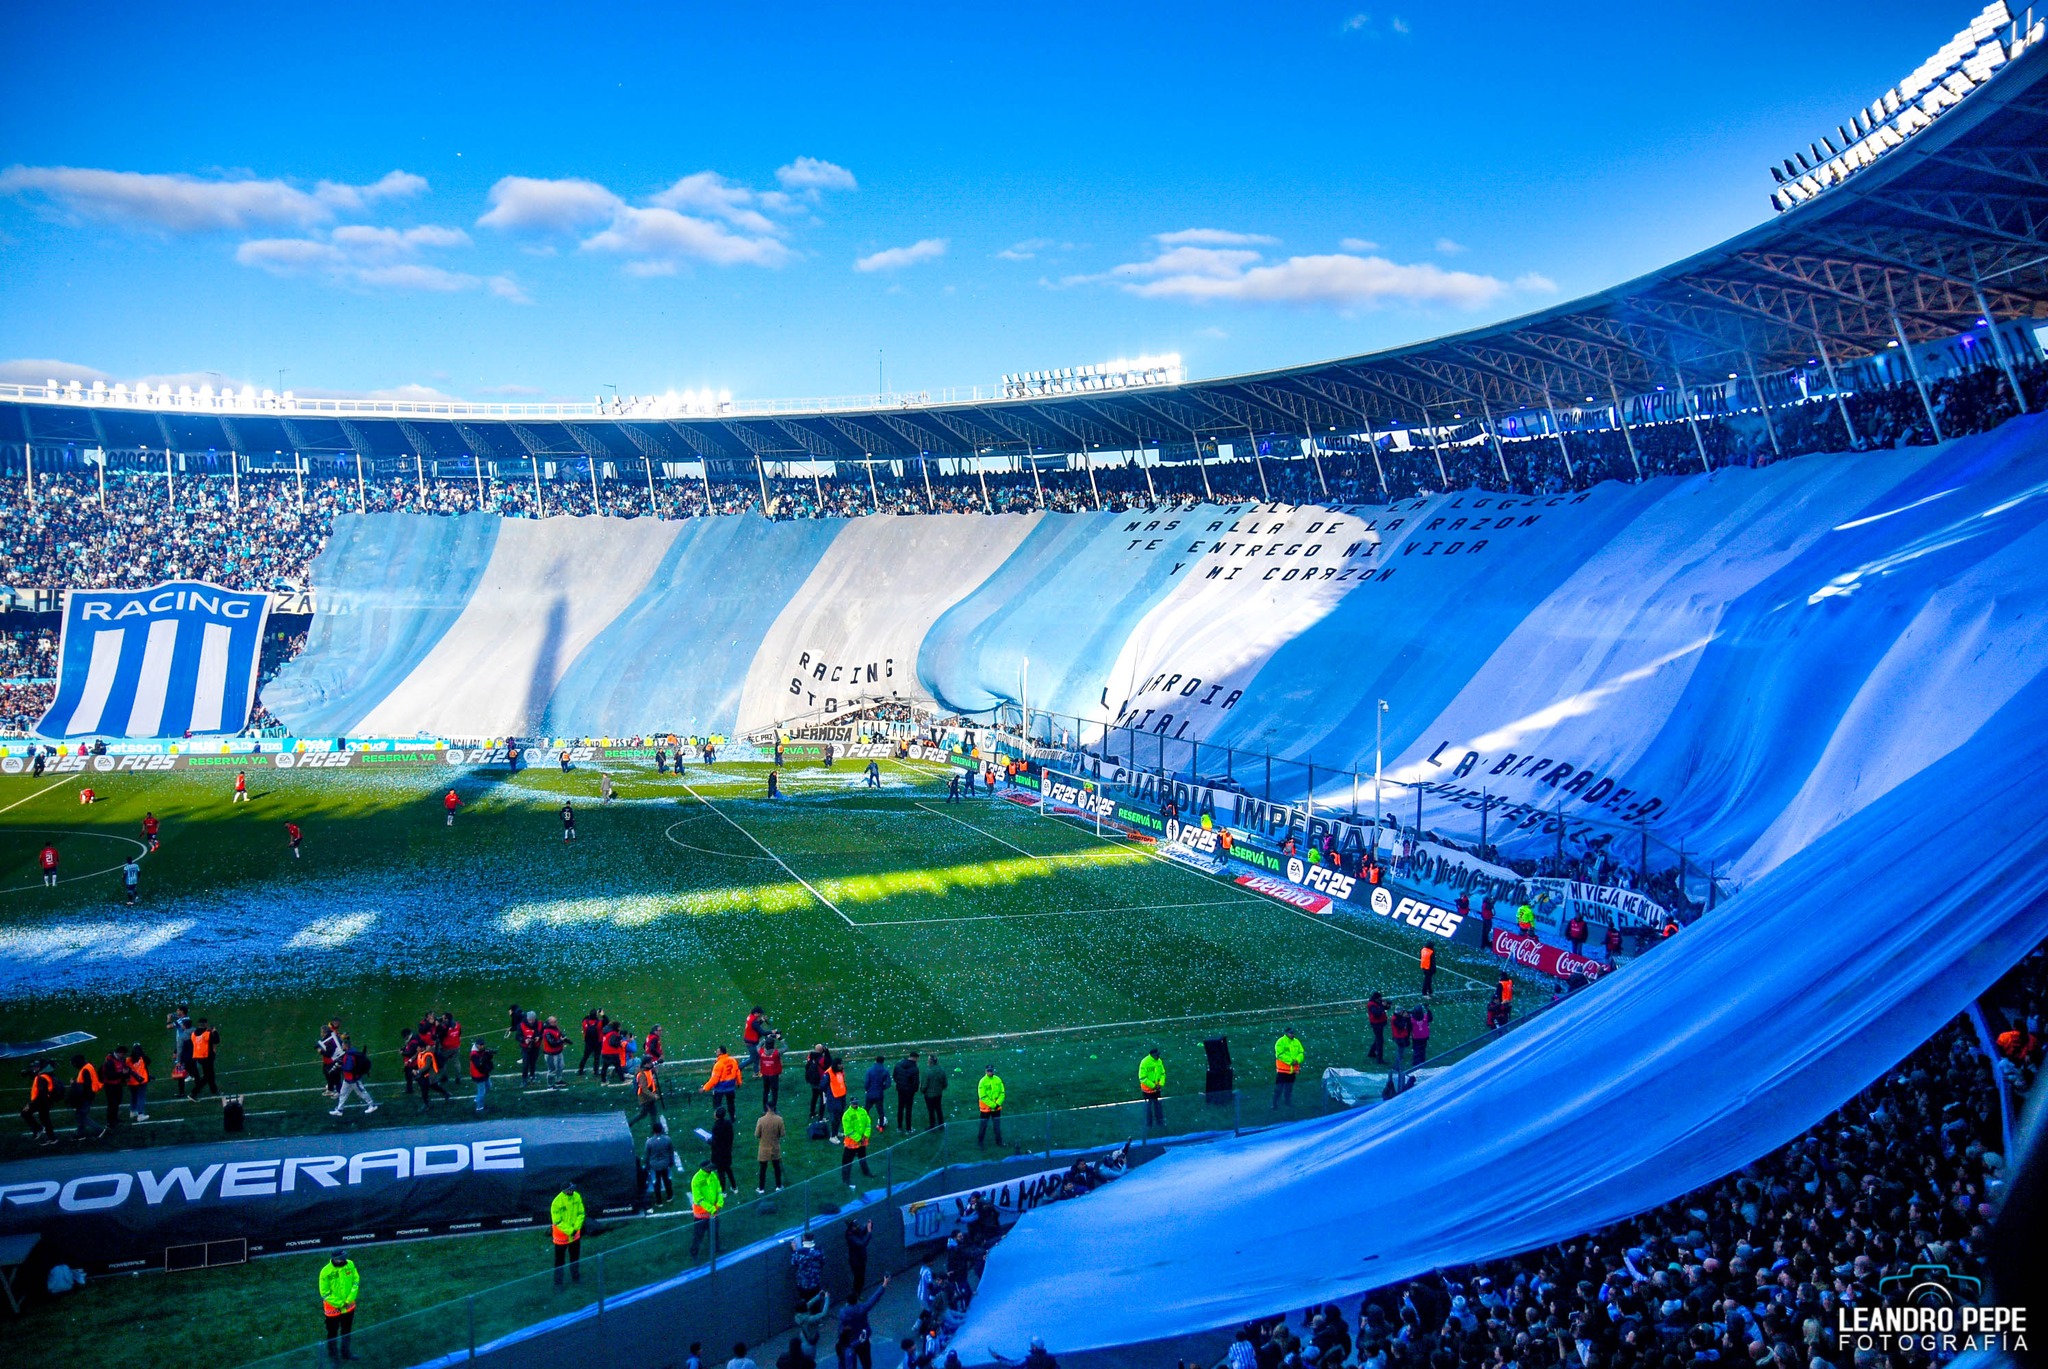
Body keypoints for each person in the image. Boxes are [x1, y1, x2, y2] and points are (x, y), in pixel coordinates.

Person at [837, 1274, 889, 1369]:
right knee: (866, 1362)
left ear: (847, 1301)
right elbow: (874, 1298)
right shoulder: (862, 1308)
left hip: (849, 1340)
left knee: (850, 1363)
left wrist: (840, 1340)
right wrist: (884, 1284)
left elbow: (841, 1327)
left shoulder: (842, 1312)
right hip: (862, 1338)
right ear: (857, 1299)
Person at [319, 1252, 359, 1363]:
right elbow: (325, 1293)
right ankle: (333, 1356)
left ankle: (346, 1353)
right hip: (333, 1310)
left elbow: (356, 1281)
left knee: (347, 1331)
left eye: (344, 1257)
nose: (344, 1260)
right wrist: (341, 1304)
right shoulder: (325, 1271)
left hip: (349, 1307)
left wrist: (349, 1300)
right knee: (332, 1333)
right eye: (341, 1258)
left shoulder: (350, 1264)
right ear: (334, 1259)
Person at [332, 1036, 377, 1115]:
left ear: (346, 1046)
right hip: (347, 1079)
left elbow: (349, 1068)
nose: (341, 1046)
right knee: (343, 1093)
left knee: (361, 1092)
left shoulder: (350, 1056)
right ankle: (339, 1110)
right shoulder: (349, 1053)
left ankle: (372, 1105)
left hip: (353, 1079)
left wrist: (340, 1067)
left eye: (342, 1045)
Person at [551, 1183, 585, 1284]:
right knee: (559, 1261)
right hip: (561, 1238)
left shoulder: (577, 1196)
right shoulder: (556, 1202)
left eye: (573, 1188)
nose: (573, 1190)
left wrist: (576, 1228)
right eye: (570, 1188)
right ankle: (558, 1282)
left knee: (575, 1258)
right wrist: (571, 1231)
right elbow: (557, 1221)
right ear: (564, 1190)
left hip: (575, 1236)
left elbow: (581, 1213)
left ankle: (576, 1278)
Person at [689, 1160, 723, 1258]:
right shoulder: (696, 1179)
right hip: (701, 1214)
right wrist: (712, 1209)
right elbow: (699, 1199)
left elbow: (719, 1190)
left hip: (713, 1212)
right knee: (698, 1235)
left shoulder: (713, 1175)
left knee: (714, 1232)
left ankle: (716, 1248)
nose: (712, 1169)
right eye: (709, 1167)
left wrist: (719, 1203)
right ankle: (694, 1253)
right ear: (704, 1168)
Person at [19, 1058, 57, 1144]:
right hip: (46, 1100)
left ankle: (38, 1129)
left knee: (25, 1113)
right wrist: (28, 1072)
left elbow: (41, 1093)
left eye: (36, 1067)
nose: (34, 1069)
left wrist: (30, 1104)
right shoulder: (46, 1074)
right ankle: (52, 1138)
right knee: (45, 1119)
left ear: (40, 1068)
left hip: (41, 1101)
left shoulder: (41, 1077)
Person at [840, 1098, 875, 1186]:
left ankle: (866, 1172)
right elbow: (848, 1130)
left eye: (856, 1103)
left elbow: (868, 1123)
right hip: (851, 1144)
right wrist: (859, 1138)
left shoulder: (863, 1111)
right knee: (847, 1162)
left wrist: (866, 1135)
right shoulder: (847, 1115)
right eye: (853, 1103)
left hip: (862, 1142)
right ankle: (845, 1179)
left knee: (863, 1157)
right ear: (850, 1103)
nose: (855, 1104)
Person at [68, 1053, 102, 1139]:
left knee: (82, 1116)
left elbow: (86, 1085)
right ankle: (80, 1133)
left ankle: (99, 1130)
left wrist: (74, 1084)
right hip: (88, 1095)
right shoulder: (88, 1067)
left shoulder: (85, 1069)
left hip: (85, 1096)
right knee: (79, 1114)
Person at [703, 1045, 742, 1117]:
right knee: (731, 1103)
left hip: (719, 1088)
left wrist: (705, 1088)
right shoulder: (733, 1060)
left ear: (720, 1052)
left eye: (717, 1051)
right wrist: (739, 1082)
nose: (716, 1052)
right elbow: (737, 1073)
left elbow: (714, 1079)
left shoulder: (718, 1064)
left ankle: (719, 1117)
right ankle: (732, 1117)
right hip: (730, 1087)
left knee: (717, 1104)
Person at [756, 1100, 786, 1192]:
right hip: (775, 1147)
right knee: (777, 1167)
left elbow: (757, 1134)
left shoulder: (761, 1120)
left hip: (764, 1148)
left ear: (767, 1107)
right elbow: (782, 1134)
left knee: (763, 1169)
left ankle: (761, 1188)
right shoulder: (779, 1119)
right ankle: (778, 1186)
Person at [414, 1035, 451, 1107]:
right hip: (427, 1072)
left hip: (429, 1072)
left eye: (418, 1047)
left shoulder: (428, 1053)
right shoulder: (424, 1052)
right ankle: (445, 1093)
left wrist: (418, 1071)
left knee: (427, 1087)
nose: (417, 1049)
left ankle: (426, 1103)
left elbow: (427, 1065)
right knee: (430, 1086)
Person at [1272, 1026, 1304, 1107]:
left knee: (1289, 1088)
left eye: (1293, 1033)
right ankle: (1275, 1103)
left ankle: (1287, 1102)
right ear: (1286, 1033)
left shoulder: (1296, 1042)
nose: (1292, 1034)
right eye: (1290, 1033)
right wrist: (1291, 1061)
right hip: (1282, 1071)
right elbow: (1280, 1054)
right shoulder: (1280, 1042)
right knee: (1279, 1088)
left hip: (1292, 1071)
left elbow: (1301, 1053)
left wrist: (1297, 1060)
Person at [645, 1123, 676, 1204]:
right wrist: (671, 1161)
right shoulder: (667, 1139)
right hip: (665, 1163)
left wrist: (647, 1165)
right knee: (667, 1180)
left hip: (654, 1165)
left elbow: (647, 1155)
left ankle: (659, 1201)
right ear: (661, 1129)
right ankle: (669, 1196)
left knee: (656, 1182)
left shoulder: (649, 1142)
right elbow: (671, 1152)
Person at [101, 1046, 128, 1130]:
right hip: (110, 1086)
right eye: (123, 1054)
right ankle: (110, 1121)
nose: (123, 1056)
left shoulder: (120, 1060)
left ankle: (115, 1119)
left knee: (118, 1102)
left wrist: (124, 1077)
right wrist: (122, 1074)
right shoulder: (109, 1062)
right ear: (119, 1053)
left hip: (117, 1084)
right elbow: (109, 1076)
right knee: (112, 1103)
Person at [845, 1219, 874, 1298]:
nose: (857, 1227)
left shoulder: (856, 1231)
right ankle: (855, 1295)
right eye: (855, 1226)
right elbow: (862, 1244)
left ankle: (858, 1293)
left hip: (861, 1259)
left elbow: (864, 1229)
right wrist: (869, 1232)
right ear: (851, 1227)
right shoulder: (850, 1236)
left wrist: (869, 1224)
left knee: (861, 1278)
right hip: (855, 1261)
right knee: (858, 1278)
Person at [976, 1065, 1004, 1146]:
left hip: (996, 1109)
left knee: (997, 1126)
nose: (990, 1072)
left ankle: (999, 1141)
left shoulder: (998, 1079)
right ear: (985, 1071)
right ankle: (980, 1142)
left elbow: (1002, 1093)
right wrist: (994, 1105)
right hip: (986, 1109)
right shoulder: (982, 1081)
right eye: (988, 1071)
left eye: (991, 1070)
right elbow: (983, 1096)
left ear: (993, 1071)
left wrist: (998, 1104)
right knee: (983, 1126)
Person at [191, 1017, 220, 1095]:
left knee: (210, 1074)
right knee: (208, 1076)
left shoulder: (193, 1034)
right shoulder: (207, 1033)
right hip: (207, 1056)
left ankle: (214, 1090)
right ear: (206, 1024)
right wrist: (214, 1031)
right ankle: (194, 1091)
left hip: (199, 1057)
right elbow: (217, 1040)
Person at [891, 1052, 920, 1131]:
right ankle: (908, 1128)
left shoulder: (899, 1065)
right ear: (915, 1058)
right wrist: (914, 1090)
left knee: (900, 1107)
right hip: (909, 1091)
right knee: (908, 1109)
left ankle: (899, 1126)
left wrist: (899, 1084)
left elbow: (895, 1076)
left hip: (901, 1089)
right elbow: (916, 1082)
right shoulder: (914, 1068)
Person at [633, 1057, 664, 1129]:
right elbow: (644, 1089)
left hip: (649, 1097)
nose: (651, 1064)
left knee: (653, 1113)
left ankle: (655, 1129)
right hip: (645, 1098)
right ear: (646, 1064)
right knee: (643, 1114)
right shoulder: (642, 1074)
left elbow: (651, 1072)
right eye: (650, 1063)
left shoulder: (647, 1069)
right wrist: (654, 1096)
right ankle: (629, 1124)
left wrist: (654, 1070)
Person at [1138, 1047, 1165, 1127]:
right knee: (1148, 1107)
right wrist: (1154, 1086)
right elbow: (1142, 1078)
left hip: (1157, 1089)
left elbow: (1163, 1073)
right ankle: (1149, 1123)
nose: (1158, 1056)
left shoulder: (1159, 1061)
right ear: (1152, 1054)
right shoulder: (1144, 1062)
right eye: (1157, 1055)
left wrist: (1161, 1084)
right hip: (1148, 1090)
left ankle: (1160, 1122)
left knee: (1158, 1106)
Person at [711, 1109, 737, 1192]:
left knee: (721, 1172)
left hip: (719, 1153)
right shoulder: (728, 1124)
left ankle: (723, 1191)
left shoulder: (716, 1127)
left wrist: (709, 1141)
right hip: (727, 1150)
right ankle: (734, 1187)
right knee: (728, 1169)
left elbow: (715, 1142)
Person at [987, 1338, 1058, 1369]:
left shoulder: (1028, 1359)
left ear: (1035, 1347)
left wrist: (998, 1357)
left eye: (1032, 1345)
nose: (1031, 1347)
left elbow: (1013, 1364)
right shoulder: (1051, 1358)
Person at [862, 1054, 890, 1133]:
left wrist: (867, 1089)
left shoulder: (870, 1070)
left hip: (870, 1093)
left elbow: (866, 1082)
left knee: (866, 1109)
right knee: (880, 1110)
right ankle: (881, 1126)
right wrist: (882, 1088)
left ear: (875, 1060)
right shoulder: (885, 1071)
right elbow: (888, 1084)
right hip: (879, 1093)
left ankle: (863, 1124)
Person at [470, 1039, 497, 1113]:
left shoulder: (480, 1050)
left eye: (483, 1045)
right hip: (478, 1075)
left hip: (484, 1073)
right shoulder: (474, 1054)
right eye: (480, 1045)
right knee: (481, 1091)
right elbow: (479, 1065)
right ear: (477, 1045)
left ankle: (477, 1099)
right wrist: (485, 1056)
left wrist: (489, 1054)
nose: (482, 1046)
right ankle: (479, 1108)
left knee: (489, 1086)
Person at [759, 1032, 785, 1109]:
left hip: (765, 1074)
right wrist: (780, 1038)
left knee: (766, 1091)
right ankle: (773, 1108)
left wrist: (766, 1038)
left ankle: (765, 1108)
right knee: (774, 1092)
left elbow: (758, 1046)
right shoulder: (776, 1053)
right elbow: (786, 1047)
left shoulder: (761, 1052)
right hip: (774, 1075)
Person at [921, 1054, 947, 1129]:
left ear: (930, 1061)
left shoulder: (927, 1071)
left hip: (929, 1095)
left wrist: (923, 1090)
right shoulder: (941, 1070)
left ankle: (932, 1125)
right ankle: (941, 1124)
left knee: (931, 1110)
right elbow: (945, 1083)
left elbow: (924, 1084)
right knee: (938, 1108)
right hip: (938, 1093)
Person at [806, 1043, 831, 1119]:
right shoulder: (822, 1059)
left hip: (813, 1081)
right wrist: (827, 1052)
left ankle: (812, 1112)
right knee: (822, 1100)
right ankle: (821, 1116)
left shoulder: (810, 1057)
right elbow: (829, 1063)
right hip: (821, 1082)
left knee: (814, 1097)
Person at [541, 1016, 567, 1088]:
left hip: (558, 1052)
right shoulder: (547, 1032)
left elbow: (559, 1034)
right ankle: (550, 1084)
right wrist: (561, 1040)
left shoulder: (555, 1028)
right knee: (552, 1070)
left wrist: (563, 1037)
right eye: (554, 1022)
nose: (556, 1023)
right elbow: (552, 1043)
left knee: (561, 1066)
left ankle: (558, 1080)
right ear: (550, 1023)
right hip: (551, 1054)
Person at [579, 1010, 604, 1076]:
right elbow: (606, 1021)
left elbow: (585, 1018)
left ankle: (580, 1070)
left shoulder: (585, 1022)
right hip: (597, 1042)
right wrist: (601, 1014)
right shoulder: (599, 1023)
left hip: (588, 1042)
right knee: (596, 1057)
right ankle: (596, 1071)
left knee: (585, 1056)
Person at [1366, 992, 1388, 1063]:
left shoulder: (1376, 1003)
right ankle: (1379, 1059)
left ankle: (1371, 1053)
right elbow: (1377, 1013)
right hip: (1376, 1024)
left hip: (1379, 1024)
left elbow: (1384, 1009)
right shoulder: (1372, 1004)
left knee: (1378, 1039)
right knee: (1380, 1041)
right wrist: (1382, 1006)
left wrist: (1386, 1005)